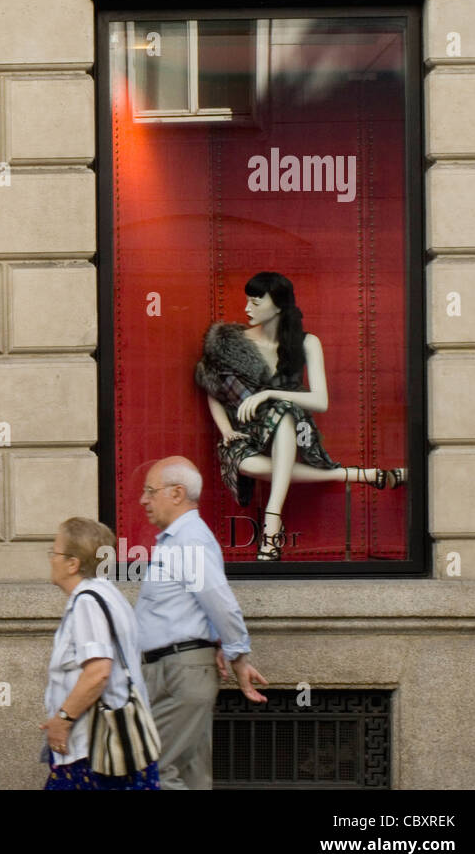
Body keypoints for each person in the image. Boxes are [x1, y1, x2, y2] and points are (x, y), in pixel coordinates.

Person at [195, 271, 405, 560]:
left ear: (279, 305)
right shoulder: (230, 344)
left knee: (284, 414)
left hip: (291, 427)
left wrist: (269, 394)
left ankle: (272, 521)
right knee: (252, 467)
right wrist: (225, 431)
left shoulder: (307, 343)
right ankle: (362, 475)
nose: (247, 309)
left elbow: (320, 401)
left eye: (256, 302)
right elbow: (212, 389)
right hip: (245, 432)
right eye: (247, 301)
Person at [135, 456, 268, 790]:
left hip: (180, 671)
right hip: (175, 669)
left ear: (177, 493)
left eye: (150, 491)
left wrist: (237, 652)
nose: (143, 500)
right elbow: (198, 603)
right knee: (190, 774)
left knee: (152, 767)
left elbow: (219, 602)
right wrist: (219, 643)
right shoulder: (179, 540)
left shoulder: (189, 540)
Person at [40, 515, 160, 790]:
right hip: (108, 746)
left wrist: (62, 719)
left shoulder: (87, 602)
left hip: (94, 750)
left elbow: (98, 672)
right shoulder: (109, 595)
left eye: (54, 552)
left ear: (73, 563)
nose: (51, 559)